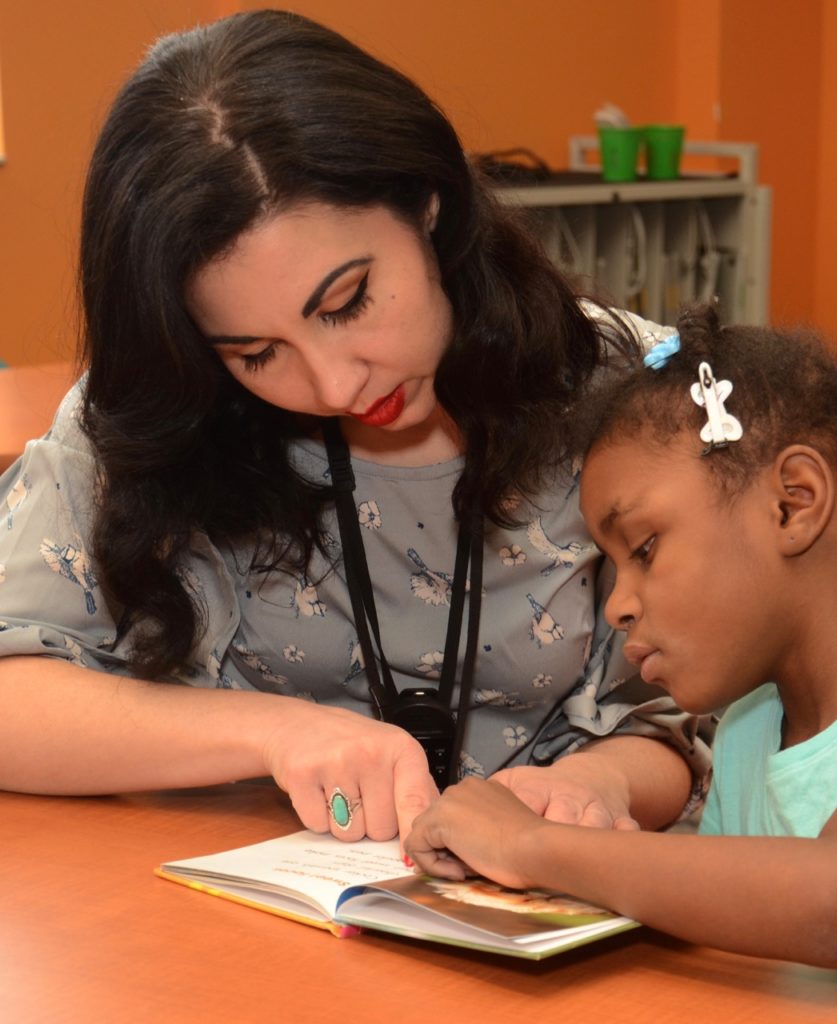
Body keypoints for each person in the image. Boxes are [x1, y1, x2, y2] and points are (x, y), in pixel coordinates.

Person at [0, 10, 713, 847]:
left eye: (348, 303)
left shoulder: (622, 391)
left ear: (428, 204)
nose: (335, 385)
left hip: (544, 897)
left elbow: (687, 720)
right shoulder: (157, 415)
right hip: (226, 903)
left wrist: (595, 785)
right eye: (257, 353)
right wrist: (277, 735)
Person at [406, 304, 837, 1003]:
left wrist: (529, 848)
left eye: (644, 550)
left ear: (794, 503)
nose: (616, 606)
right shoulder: (751, 726)